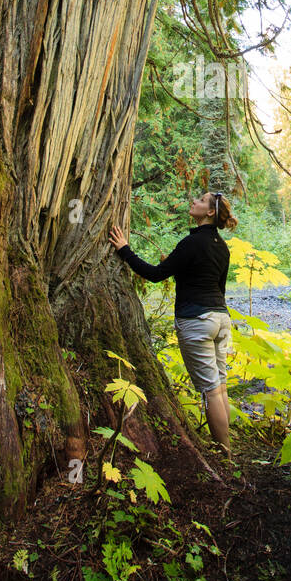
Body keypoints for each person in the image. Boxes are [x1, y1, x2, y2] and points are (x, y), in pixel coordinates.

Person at [109, 191, 238, 457]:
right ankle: (228, 448)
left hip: (197, 320)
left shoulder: (192, 243)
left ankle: (225, 453)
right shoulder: (222, 248)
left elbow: (155, 275)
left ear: (210, 212)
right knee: (221, 386)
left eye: (200, 200)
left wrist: (124, 250)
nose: (194, 202)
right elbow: (220, 288)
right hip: (221, 320)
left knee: (211, 391)